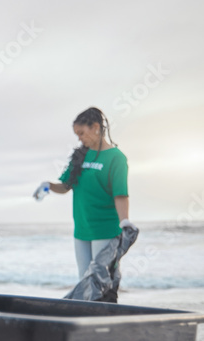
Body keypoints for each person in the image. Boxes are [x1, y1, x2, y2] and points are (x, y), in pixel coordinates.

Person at [37, 107, 135, 280]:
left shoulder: (116, 158)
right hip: (82, 229)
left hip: (105, 229)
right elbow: (66, 186)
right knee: (84, 279)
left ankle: (106, 308)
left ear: (96, 127)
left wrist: (125, 221)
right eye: (77, 135)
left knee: (103, 280)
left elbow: (120, 194)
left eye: (82, 133)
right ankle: (87, 308)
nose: (80, 139)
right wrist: (49, 186)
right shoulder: (80, 156)